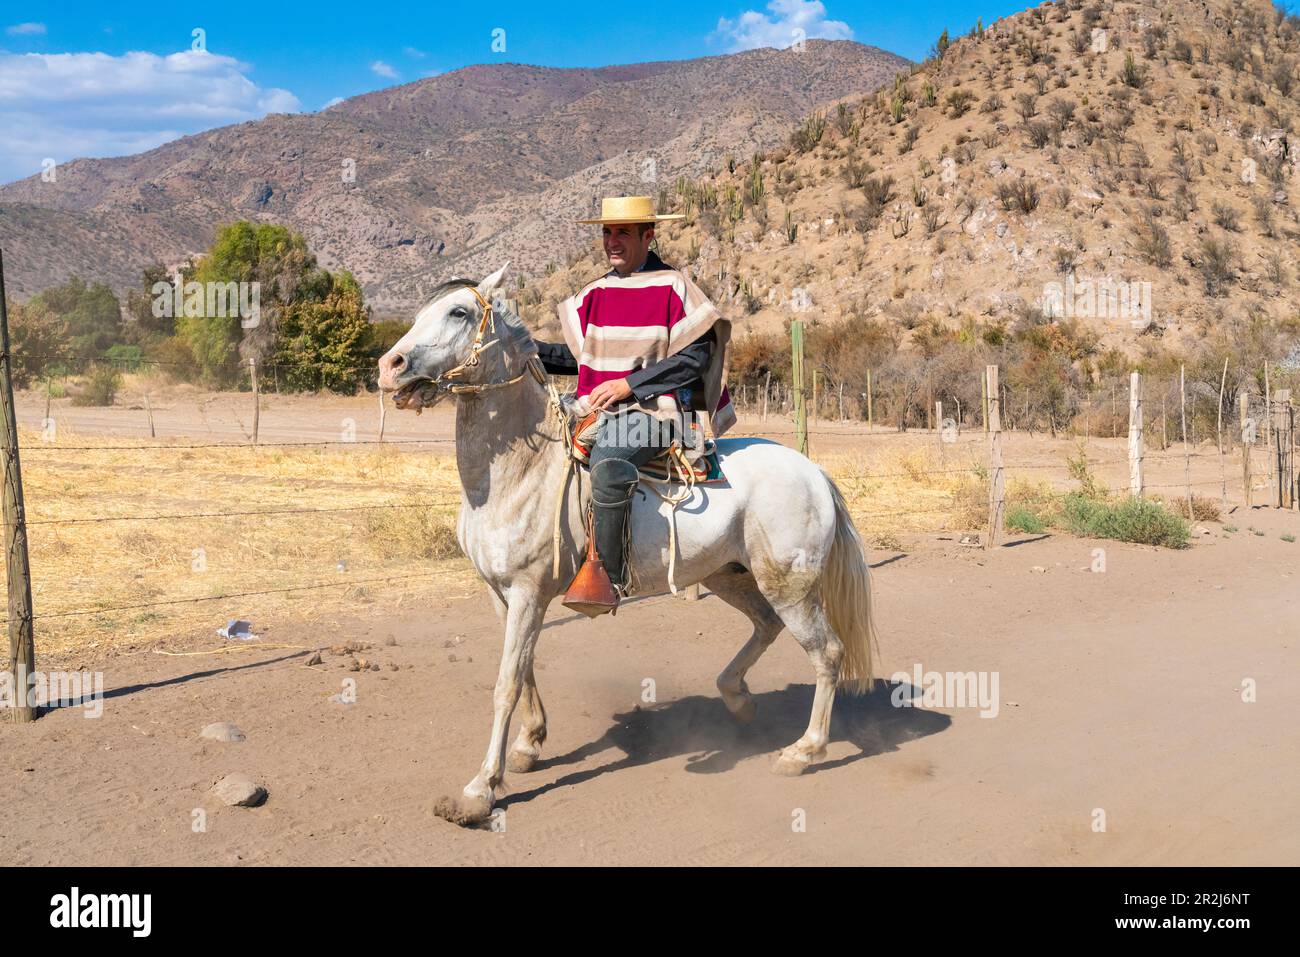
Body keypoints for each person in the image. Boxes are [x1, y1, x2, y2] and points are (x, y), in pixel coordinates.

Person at [535, 195, 737, 615]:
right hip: (598, 408)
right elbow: (586, 358)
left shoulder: (674, 286)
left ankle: (609, 577)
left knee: (608, 461)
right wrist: (526, 351)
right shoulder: (596, 292)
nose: (612, 241)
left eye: (622, 232)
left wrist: (629, 384)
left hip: (658, 412)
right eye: (607, 232)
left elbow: (694, 358)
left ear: (649, 235)